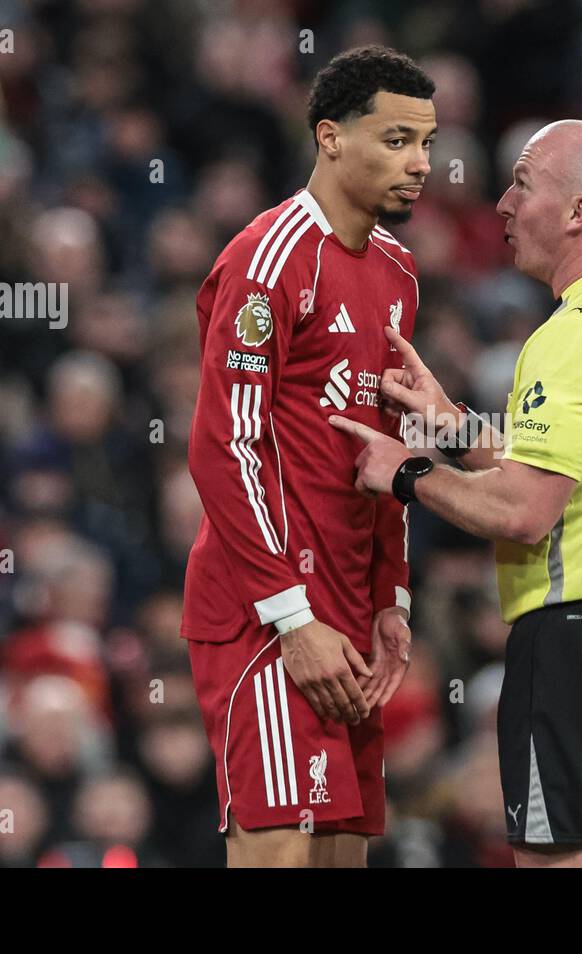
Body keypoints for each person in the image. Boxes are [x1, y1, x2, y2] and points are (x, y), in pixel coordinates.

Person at [332, 120, 582, 867]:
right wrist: (452, 425)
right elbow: (574, 467)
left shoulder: (571, 336)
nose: (502, 204)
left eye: (523, 184)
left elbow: (524, 510)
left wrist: (405, 471)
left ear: (578, 212)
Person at [181, 46, 437, 868]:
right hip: (266, 613)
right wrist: (292, 617)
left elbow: (387, 448)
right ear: (330, 136)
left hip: (351, 617)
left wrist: (390, 595)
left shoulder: (399, 271)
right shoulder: (267, 259)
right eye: (397, 139)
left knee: (339, 858)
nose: (421, 163)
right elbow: (225, 444)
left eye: (427, 142)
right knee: (277, 854)